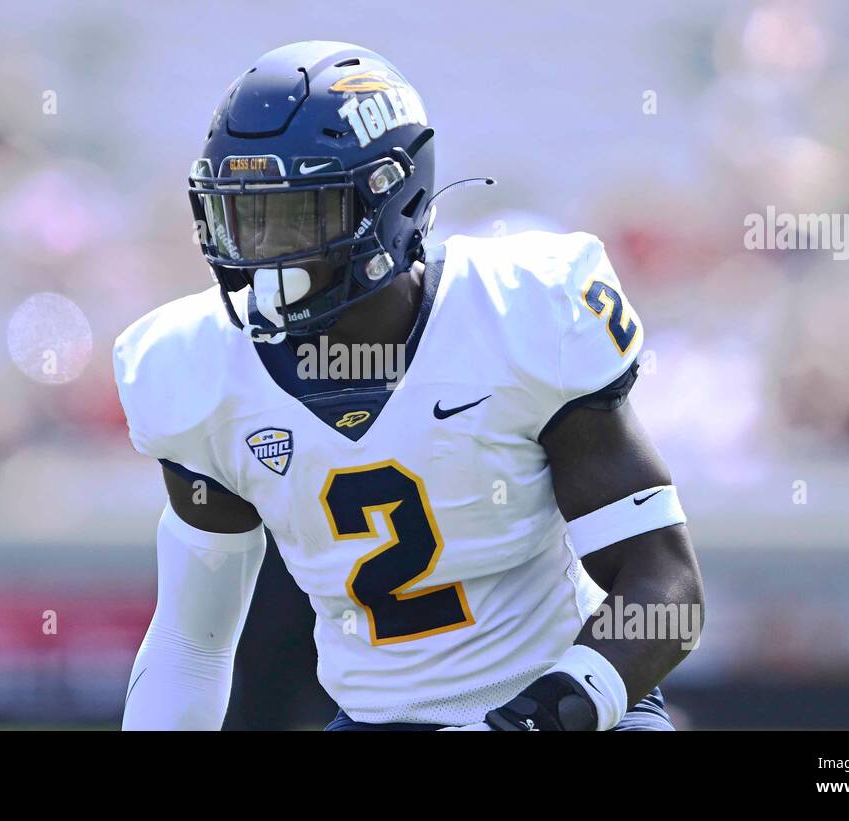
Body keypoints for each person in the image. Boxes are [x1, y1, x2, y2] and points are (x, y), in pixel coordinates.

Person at [115, 41, 703, 731]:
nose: (266, 252)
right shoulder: (197, 368)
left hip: (564, 705)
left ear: (388, 198)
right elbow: (192, 642)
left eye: (299, 215)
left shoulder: (519, 312)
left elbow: (666, 589)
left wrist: (539, 717)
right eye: (250, 217)